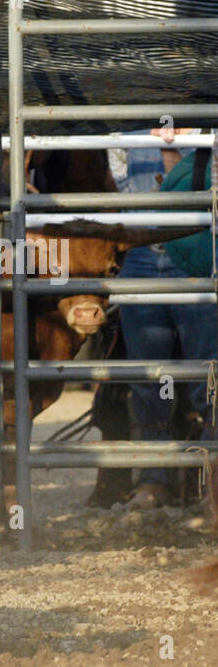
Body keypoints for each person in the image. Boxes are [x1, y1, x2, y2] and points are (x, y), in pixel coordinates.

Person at [109, 128, 216, 508]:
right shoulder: (126, 125)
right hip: (140, 253)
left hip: (198, 251)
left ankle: (210, 485)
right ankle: (154, 480)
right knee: (148, 378)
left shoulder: (207, 117)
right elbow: (114, 184)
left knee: (208, 375)